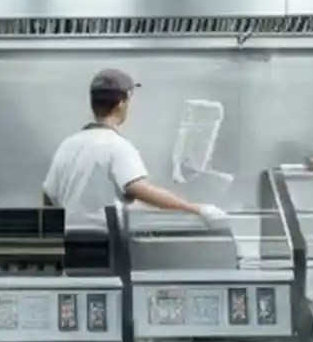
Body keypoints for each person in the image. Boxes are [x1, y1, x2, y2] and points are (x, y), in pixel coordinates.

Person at [43, 68, 226, 231]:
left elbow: (49, 197)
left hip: (67, 246)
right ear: (122, 104)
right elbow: (139, 189)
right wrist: (196, 209)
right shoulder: (116, 146)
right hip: (105, 246)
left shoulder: (67, 145)